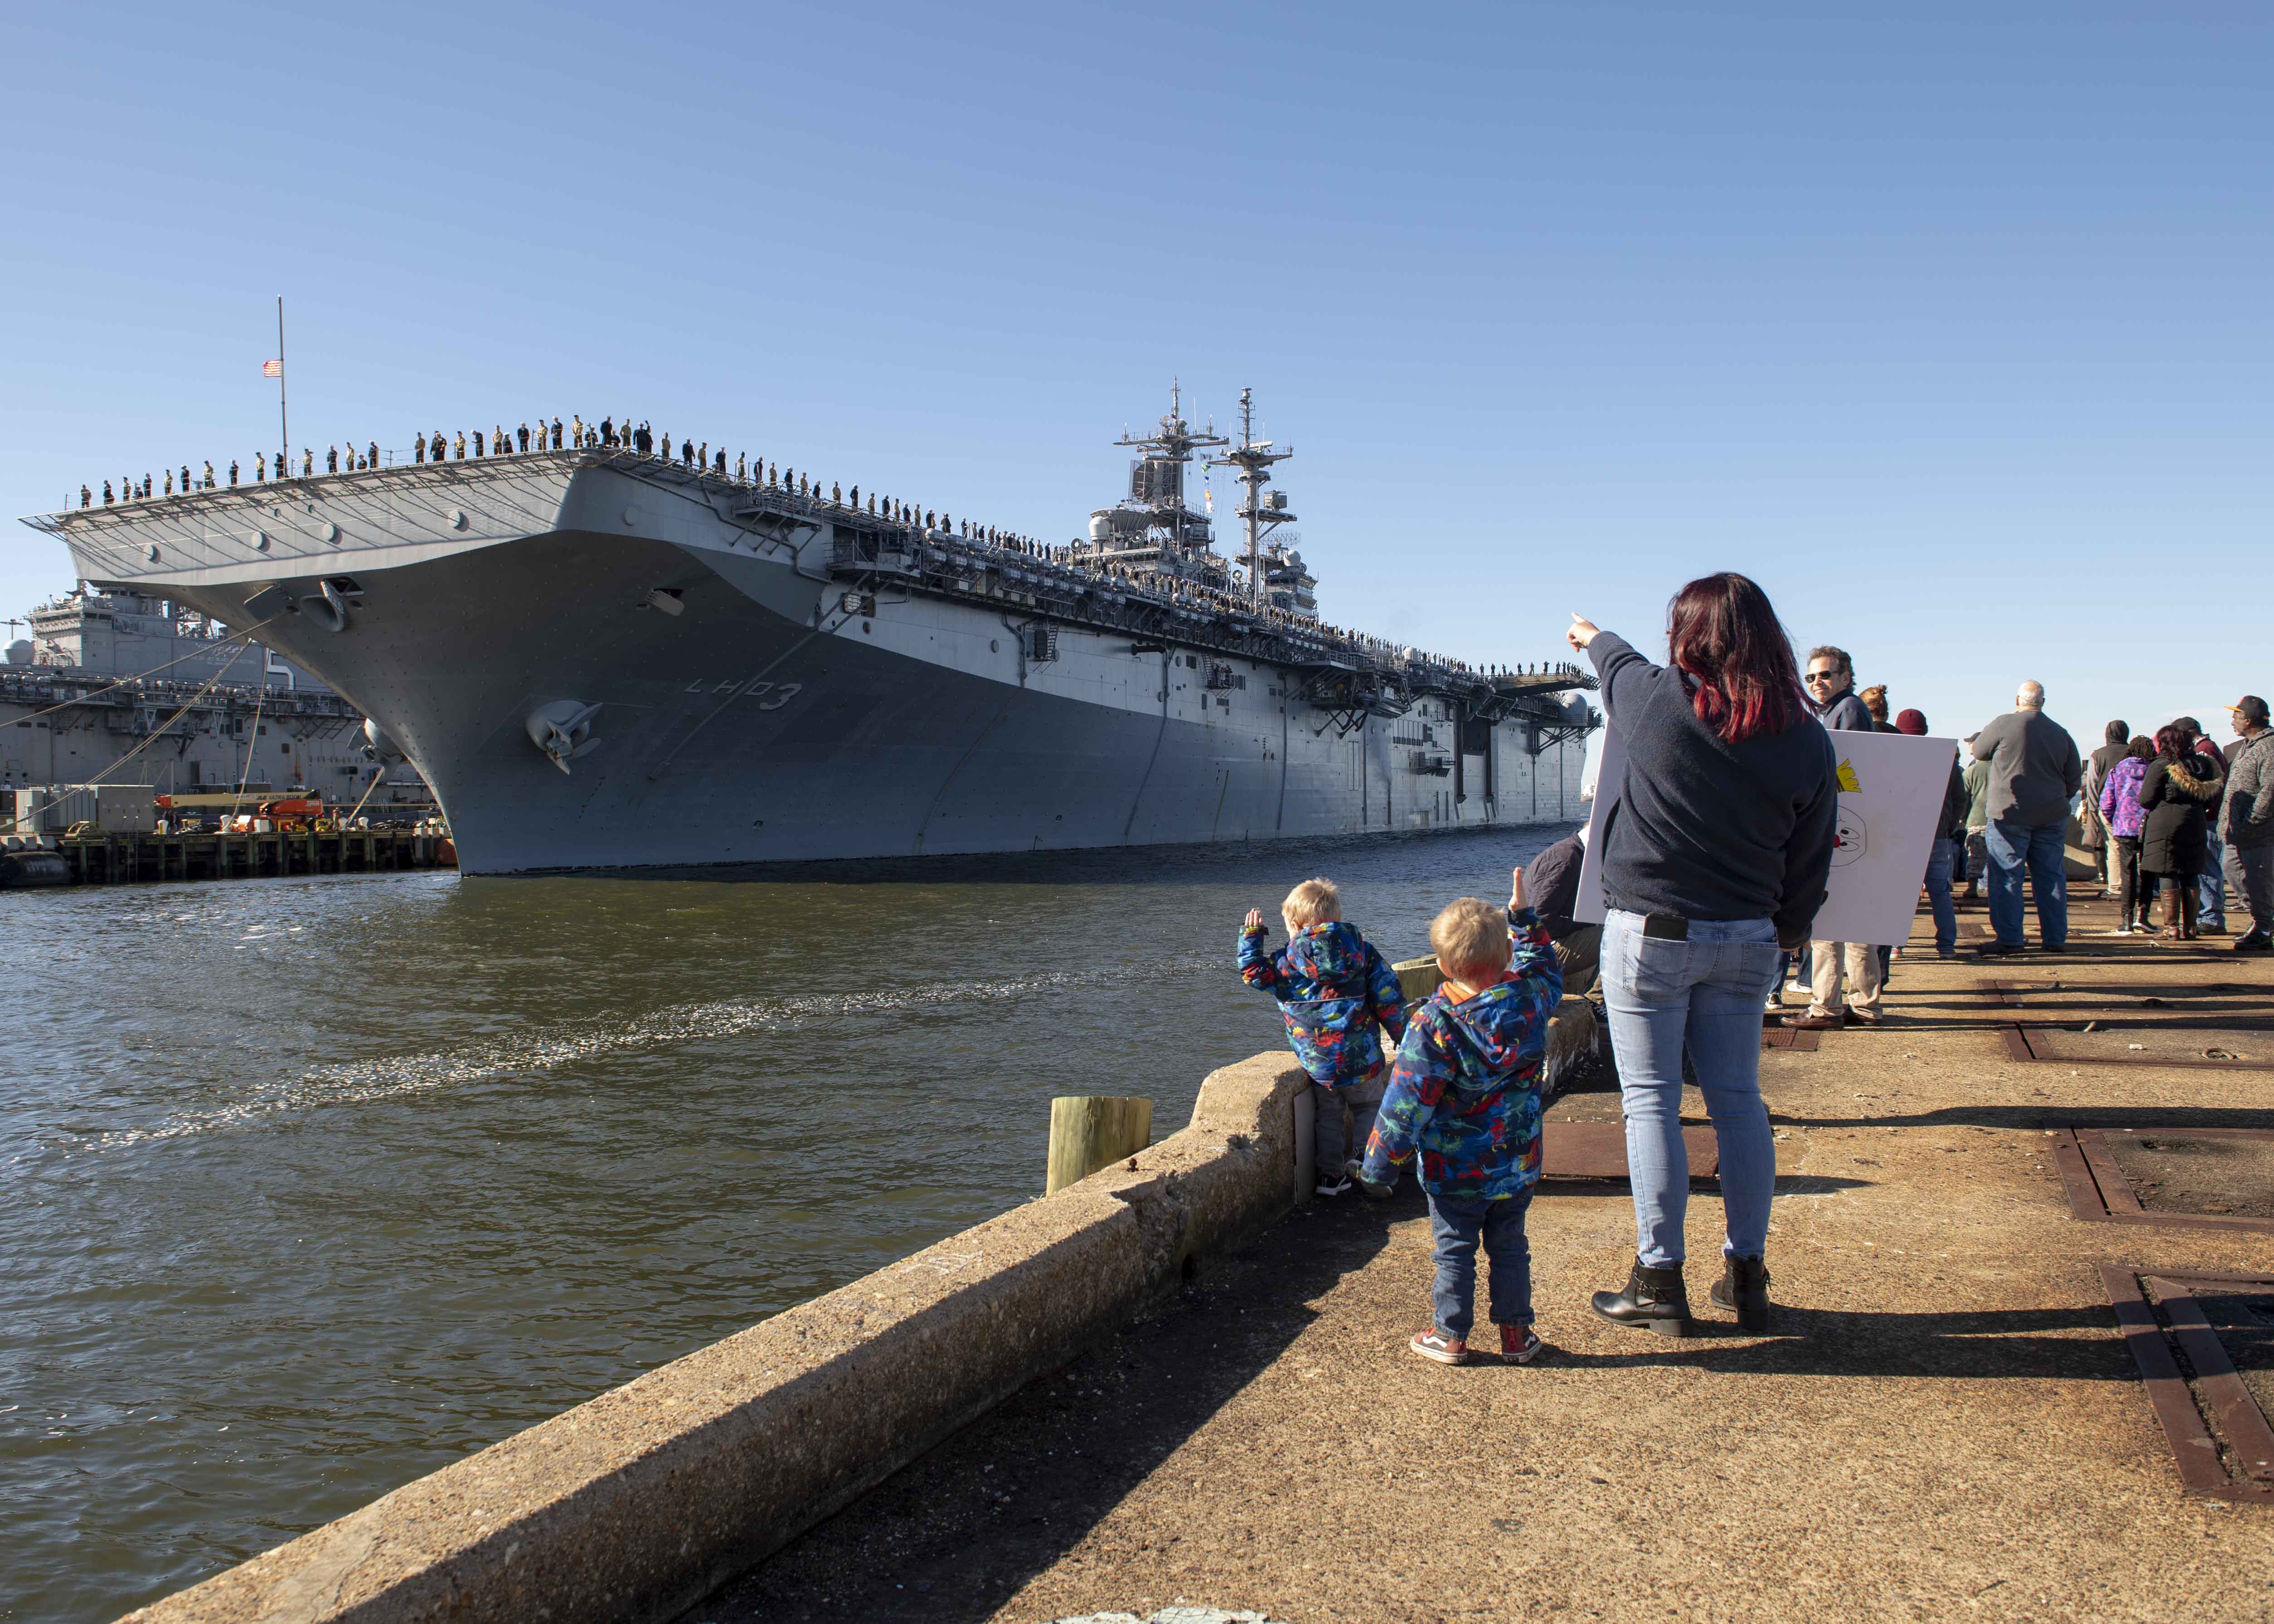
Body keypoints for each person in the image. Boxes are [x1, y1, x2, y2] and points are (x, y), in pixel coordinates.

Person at [1567, 575, 1836, 1336]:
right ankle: (1746, 1275)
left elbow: (1613, 660)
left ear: (1686, 636)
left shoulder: (1655, 700)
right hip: (1748, 937)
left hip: (1649, 937)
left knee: (1650, 1101)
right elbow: (1811, 854)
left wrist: (1589, 635)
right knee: (1738, 1101)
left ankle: (1658, 1280)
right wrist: (1789, 930)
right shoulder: (1805, 736)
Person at [1357, 881, 1560, 1366]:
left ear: (1443, 966)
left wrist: (1377, 1168)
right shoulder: (1531, 1000)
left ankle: (1450, 1335)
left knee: (1454, 1251)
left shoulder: (1434, 1025)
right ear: (1507, 953)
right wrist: (1525, 919)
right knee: (1511, 1247)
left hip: (1454, 1172)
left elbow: (1404, 1106)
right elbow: (1546, 967)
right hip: (1516, 1165)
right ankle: (1516, 1335)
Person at [1238, 877, 1407, 1197]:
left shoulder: (1285, 962)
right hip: (1363, 1058)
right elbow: (1389, 997)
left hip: (1320, 1064)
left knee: (1329, 1116)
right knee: (1370, 1106)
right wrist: (1402, 1034)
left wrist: (1252, 936)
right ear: (1337, 919)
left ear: (1295, 925)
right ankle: (1367, 1161)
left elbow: (1253, 974)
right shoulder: (1363, 953)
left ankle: (1330, 1178)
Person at [1791, 644, 1881, 1027]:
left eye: (1825, 675)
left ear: (1846, 677)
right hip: (1846, 826)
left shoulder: (1848, 710)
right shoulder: (1839, 710)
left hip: (1837, 827)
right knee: (1855, 923)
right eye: (1811, 676)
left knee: (1829, 924)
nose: (1817, 682)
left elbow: (1847, 770)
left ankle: (1826, 1006)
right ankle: (1864, 1005)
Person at [1970, 682, 2082, 955]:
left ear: (2017, 700)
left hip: (2009, 813)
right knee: (2051, 876)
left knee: (2007, 875)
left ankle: (2010, 938)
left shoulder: (2004, 723)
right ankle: (2054, 938)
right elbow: (2074, 778)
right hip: (2051, 814)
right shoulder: (2061, 733)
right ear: (2043, 702)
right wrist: (2057, 799)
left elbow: (1979, 751)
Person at [2139, 724, 2225, 940]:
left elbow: (2146, 799)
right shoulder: (2205, 764)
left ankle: (2172, 928)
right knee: (2191, 872)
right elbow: (2211, 797)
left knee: (2168, 871)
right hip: (2196, 822)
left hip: (2166, 823)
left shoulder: (2162, 764)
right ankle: (2191, 927)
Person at [1898, 709, 1967, 958]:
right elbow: (1960, 799)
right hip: (1938, 835)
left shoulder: (1895, 758)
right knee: (1940, 893)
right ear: (1925, 730)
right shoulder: (1945, 759)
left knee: (1901, 893)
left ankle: (1895, 945)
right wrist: (1949, 826)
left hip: (1903, 837)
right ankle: (1946, 946)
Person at [1518, 828, 1600, 996]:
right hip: (1536, 951)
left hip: (1537, 945)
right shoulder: (1566, 859)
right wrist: (1585, 924)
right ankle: (1595, 1001)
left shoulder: (1571, 854)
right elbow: (1541, 919)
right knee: (1616, 934)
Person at [2221, 697, 2274, 953]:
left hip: (2258, 832)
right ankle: (2262, 920)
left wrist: (2252, 821)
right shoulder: (2248, 746)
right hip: (2237, 831)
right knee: (2232, 869)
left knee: (2259, 879)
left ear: (2249, 720)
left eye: (2236, 717)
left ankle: (2264, 928)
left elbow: (2269, 790)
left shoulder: (2269, 747)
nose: (2233, 721)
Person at [2099, 737, 2156, 934]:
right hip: (2150, 826)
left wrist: (2115, 819)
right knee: (2149, 872)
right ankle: (2143, 917)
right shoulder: (2155, 769)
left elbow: (2107, 802)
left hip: (2125, 826)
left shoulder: (2119, 769)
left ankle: (2127, 919)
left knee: (2127, 871)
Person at [2083, 721, 2128, 897]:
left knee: (2113, 847)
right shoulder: (2133, 752)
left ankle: (2115, 886)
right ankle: (2135, 885)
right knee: (2134, 849)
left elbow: (2092, 785)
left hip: (2107, 807)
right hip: (2132, 809)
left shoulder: (2098, 755)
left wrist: (2094, 808)